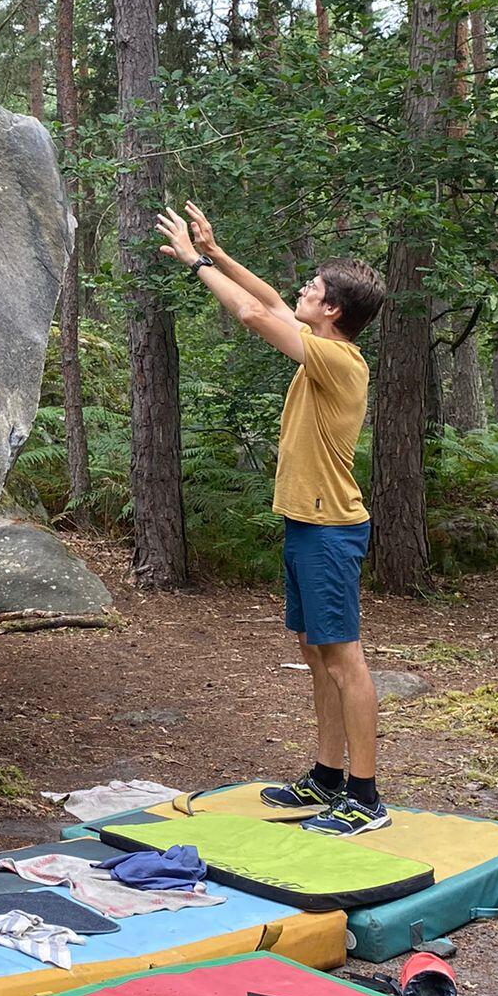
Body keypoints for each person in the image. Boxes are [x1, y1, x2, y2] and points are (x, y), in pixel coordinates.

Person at [155, 200, 389, 836]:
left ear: (334, 310)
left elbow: (255, 311)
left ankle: (366, 797)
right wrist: (219, 250)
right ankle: (328, 776)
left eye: (314, 288)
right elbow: (270, 300)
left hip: (330, 529)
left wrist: (196, 262)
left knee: (344, 659)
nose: (302, 292)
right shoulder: (320, 343)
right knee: (318, 656)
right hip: (306, 524)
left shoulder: (339, 361)